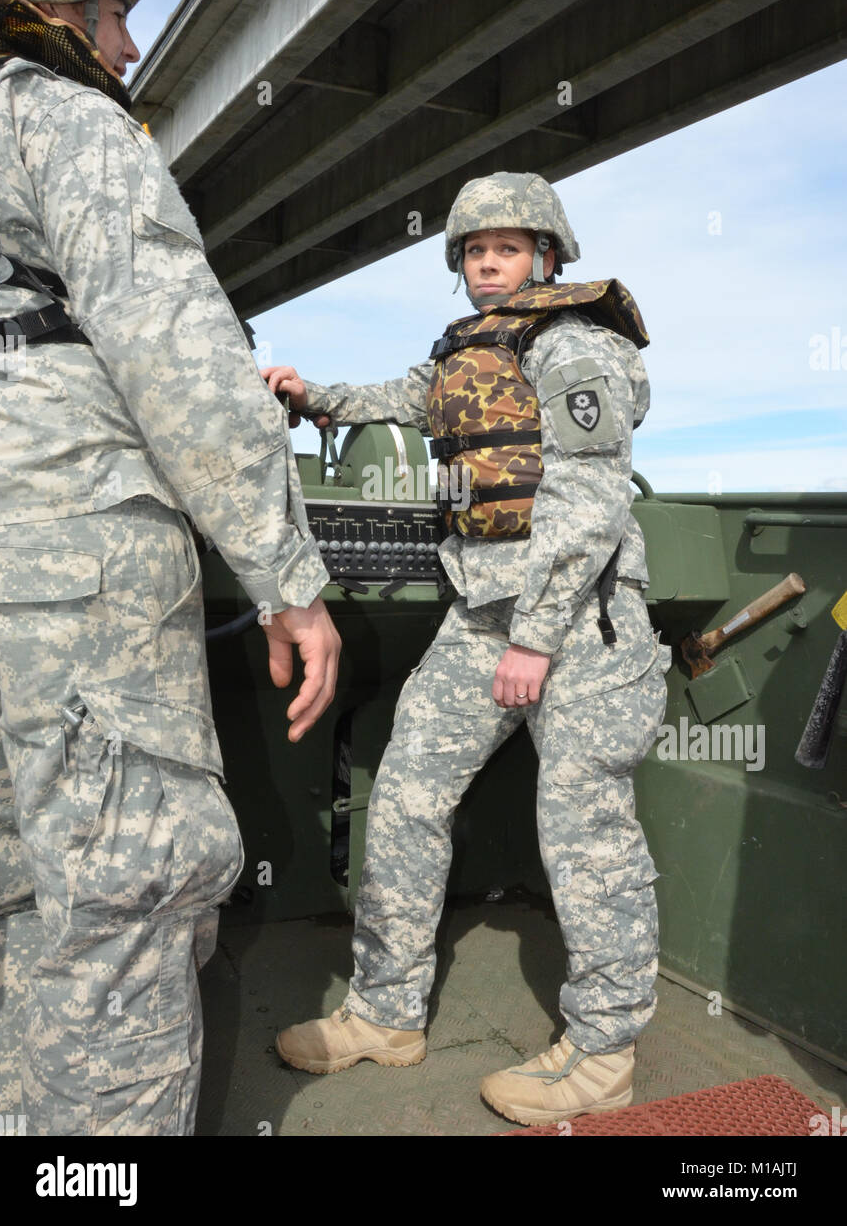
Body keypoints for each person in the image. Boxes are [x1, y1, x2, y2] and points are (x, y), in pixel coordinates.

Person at [0, 0, 340, 1136]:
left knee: (12, 890)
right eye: (116, 13)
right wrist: (286, 574)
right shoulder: (54, 116)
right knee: (127, 899)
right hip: (71, 559)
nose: (129, 48)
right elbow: (177, 348)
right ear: (54, 4)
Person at [266, 171, 671, 1126]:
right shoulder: (463, 351)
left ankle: (604, 1052)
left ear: (547, 256)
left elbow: (590, 499)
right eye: (474, 251)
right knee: (406, 797)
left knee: (585, 837)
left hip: (581, 622)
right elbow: (400, 396)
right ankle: (386, 1013)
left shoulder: (575, 345)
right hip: (482, 609)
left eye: (507, 247)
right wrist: (309, 391)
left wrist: (535, 637)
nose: (488, 262)